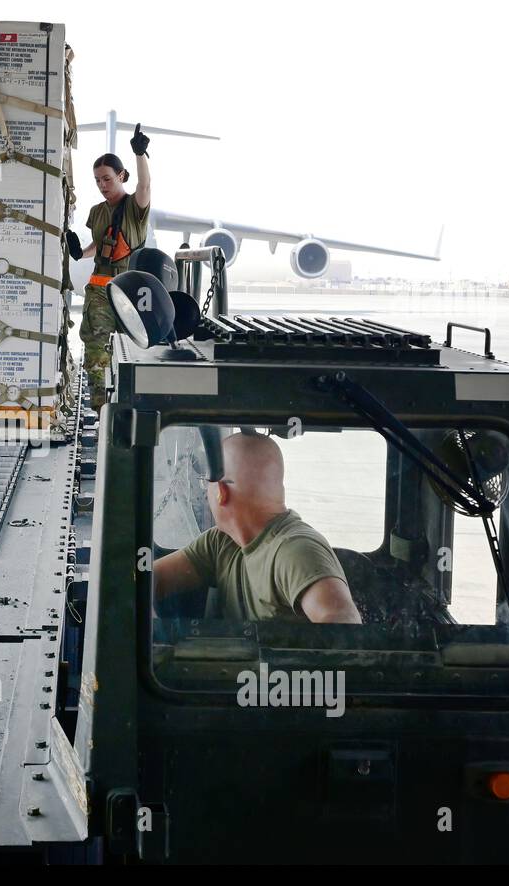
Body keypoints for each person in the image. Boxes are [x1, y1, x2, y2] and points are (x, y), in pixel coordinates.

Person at [155, 432, 363, 624]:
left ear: (221, 492)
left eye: (205, 483)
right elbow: (148, 578)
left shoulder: (295, 550)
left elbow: (343, 625)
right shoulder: (221, 542)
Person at [66, 124, 152, 409]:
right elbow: (101, 246)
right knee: (95, 350)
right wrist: (81, 253)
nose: (102, 185)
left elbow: (145, 187)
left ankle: (128, 406)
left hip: (127, 293)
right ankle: (102, 410)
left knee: (128, 351)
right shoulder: (97, 212)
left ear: (121, 176)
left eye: (107, 179)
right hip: (100, 292)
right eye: (97, 181)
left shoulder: (134, 209)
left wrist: (140, 155)